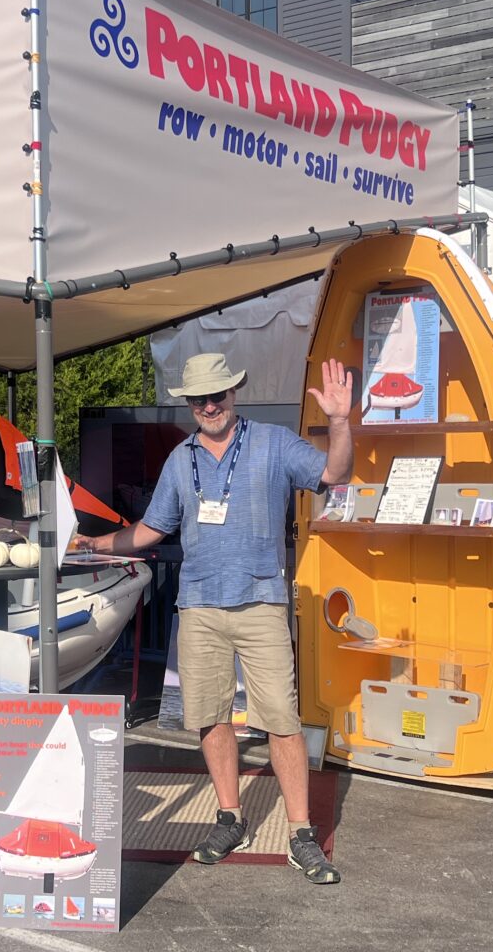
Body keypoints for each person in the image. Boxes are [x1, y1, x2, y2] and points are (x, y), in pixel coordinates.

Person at [79, 352, 352, 884]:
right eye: (198, 398)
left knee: (281, 719)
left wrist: (340, 421)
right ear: (188, 404)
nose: (208, 405)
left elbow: (334, 472)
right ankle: (230, 818)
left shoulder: (273, 443)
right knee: (210, 716)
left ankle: (300, 834)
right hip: (199, 605)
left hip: (260, 602)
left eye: (216, 395)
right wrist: (97, 542)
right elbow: (151, 530)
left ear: (233, 394)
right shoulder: (180, 460)